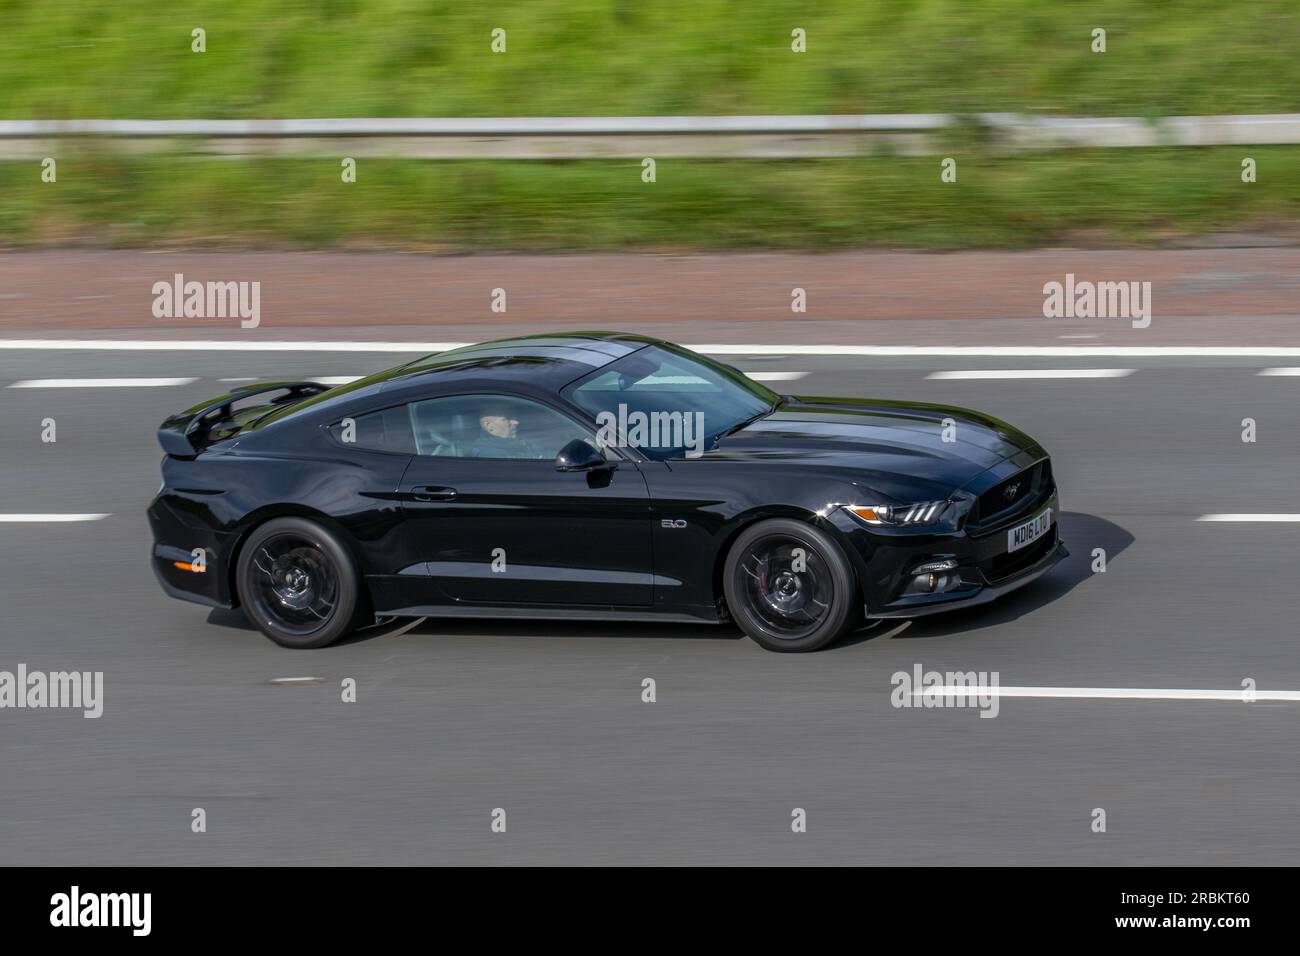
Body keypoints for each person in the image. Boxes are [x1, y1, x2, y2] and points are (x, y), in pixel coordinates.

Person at [466, 401, 543, 458]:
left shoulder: (518, 444)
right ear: (489, 426)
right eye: (507, 418)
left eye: (514, 417)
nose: (516, 422)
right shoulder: (491, 455)